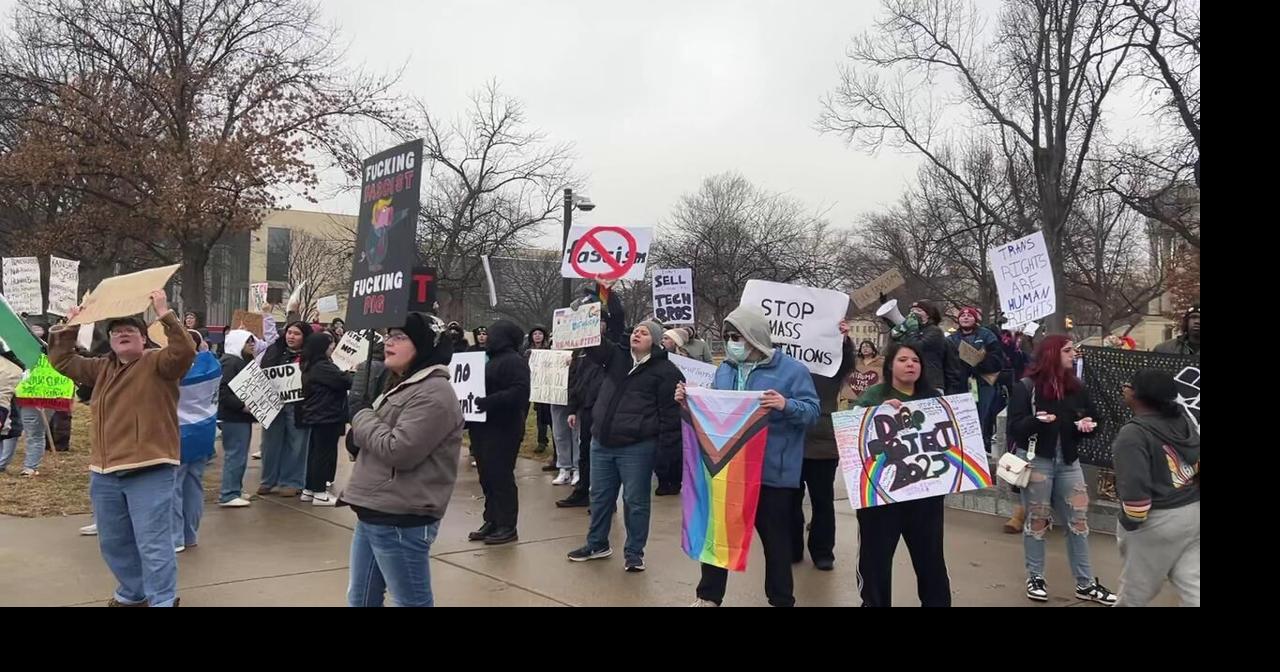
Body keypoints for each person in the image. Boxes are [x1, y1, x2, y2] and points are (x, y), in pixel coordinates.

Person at [49, 290, 196, 607]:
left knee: (153, 543)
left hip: (150, 469)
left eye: (130, 330)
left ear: (144, 339)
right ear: (110, 342)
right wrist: (72, 324)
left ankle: (162, 600)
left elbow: (184, 352)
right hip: (104, 473)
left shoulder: (159, 363)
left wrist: (164, 314)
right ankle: (133, 593)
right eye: (116, 332)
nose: (122, 334)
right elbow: (61, 360)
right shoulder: (101, 368)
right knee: (114, 543)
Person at [681, 305, 820, 607]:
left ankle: (781, 599)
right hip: (729, 469)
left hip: (772, 472)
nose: (732, 341)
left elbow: (813, 412)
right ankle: (709, 596)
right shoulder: (725, 370)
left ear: (755, 337)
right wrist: (690, 400)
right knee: (719, 535)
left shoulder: (792, 371)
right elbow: (715, 410)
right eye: (728, 336)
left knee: (776, 542)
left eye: (738, 336)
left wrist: (786, 405)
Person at [343, 312, 462, 607]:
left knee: (410, 602)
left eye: (400, 337)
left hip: (401, 516)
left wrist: (361, 416)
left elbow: (400, 450)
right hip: (375, 509)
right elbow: (375, 436)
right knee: (361, 599)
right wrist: (360, 433)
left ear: (423, 345)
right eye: (388, 335)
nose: (388, 342)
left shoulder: (434, 393)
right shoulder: (403, 384)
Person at [1008, 334, 1117, 605]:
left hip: (1069, 463)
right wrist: (1036, 421)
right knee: (1037, 521)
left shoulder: (1077, 387)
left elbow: (1094, 420)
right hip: (1037, 462)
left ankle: (1086, 583)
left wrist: (1087, 426)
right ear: (1051, 354)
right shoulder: (1026, 387)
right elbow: (1015, 429)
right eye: (1067, 350)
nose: (1073, 354)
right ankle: (1035, 577)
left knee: (1078, 523)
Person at [567, 319, 683, 572]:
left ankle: (634, 553)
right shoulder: (616, 358)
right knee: (599, 497)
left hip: (637, 448)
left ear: (654, 340)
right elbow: (595, 342)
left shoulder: (666, 372)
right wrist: (603, 294)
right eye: (636, 331)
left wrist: (666, 456)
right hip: (602, 442)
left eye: (644, 333)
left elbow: (670, 416)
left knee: (635, 501)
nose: (637, 335)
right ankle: (597, 544)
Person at [850, 342, 952, 607]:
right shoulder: (873, 396)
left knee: (931, 560)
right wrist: (878, 413)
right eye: (903, 360)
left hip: (925, 497)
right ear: (890, 365)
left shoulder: (934, 400)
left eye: (915, 360)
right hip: (880, 498)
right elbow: (852, 433)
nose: (910, 365)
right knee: (875, 562)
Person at [1112, 369, 1200, 607]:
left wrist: (1130, 523)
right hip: (1193, 512)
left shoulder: (1133, 433)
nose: (1124, 388)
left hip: (1157, 520)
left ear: (1138, 394)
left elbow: (1135, 492)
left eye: (1128, 384)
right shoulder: (1181, 419)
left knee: (1134, 594)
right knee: (1194, 588)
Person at [791, 321, 855, 571]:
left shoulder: (832, 367)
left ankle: (822, 551)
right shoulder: (789, 367)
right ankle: (792, 547)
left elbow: (847, 363)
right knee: (790, 499)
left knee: (822, 500)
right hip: (793, 438)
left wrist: (844, 341)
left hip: (823, 441)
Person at [557, 287, 623, 509]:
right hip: (586, 407)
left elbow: (618, 316)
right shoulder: (582, 349)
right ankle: (582, 490)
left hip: (605, 407)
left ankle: (606, 499)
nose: (598, 325)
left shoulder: (614, 344)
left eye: (600, 321)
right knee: (585, 451)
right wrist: (573, 409)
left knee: (603, 454)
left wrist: (607, 291)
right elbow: (578, 380)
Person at [466, 320, 530, 545]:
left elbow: (520, 393)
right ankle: (491, 519)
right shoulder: (486, 360)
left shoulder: (514, 362)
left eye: (492, 334)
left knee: (501, 476)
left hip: (504, 427)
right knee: (487, 476)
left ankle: (507, 525)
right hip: (482, 426)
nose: (487, 337)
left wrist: (488, 402)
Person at [174, 330, 221, 553]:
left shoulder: (176, 371)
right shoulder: (212, 366)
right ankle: (190, 534)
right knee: (194, 486)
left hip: (179, 433)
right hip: (204, 431)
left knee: (173, 489)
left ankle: (175, 538)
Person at [257, 320, 313, 497]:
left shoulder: (311, 355)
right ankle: (268, 480)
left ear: (305, 337)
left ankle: (291, 482)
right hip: (273, 403)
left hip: (299, 406)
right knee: (269, 443)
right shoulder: (274, 350)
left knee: (296, 444)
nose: (291, 336)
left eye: (296, 334)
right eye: (289, 332)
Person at [300, 332, 351, 506]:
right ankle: (320, 493)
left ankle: (309, 489)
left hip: (318, 415)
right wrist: (354, 372)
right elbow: (345, 381)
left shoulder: (312, 365)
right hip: (326, 415)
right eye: (330, 344)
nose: (333, 347)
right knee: (323, 454)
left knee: (315, 453)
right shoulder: (322, 367)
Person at [948, 307, 1006, 453]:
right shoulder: (951, 339)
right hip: (960, 386)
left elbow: (997, 359)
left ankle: (983, 447)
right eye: (963, 315)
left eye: (969, 315)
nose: (966, 317)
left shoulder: (987, 336)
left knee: (983, 417)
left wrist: (979, 362)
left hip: (984, 384)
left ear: (975, 319)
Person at [217, 329, 257, 507]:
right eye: (248, 342)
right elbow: (223, 391)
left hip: (239, 417)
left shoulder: (240, 361)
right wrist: (242, 405)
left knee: (239, 455)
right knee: (235, 455)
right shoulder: (230, 362)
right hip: (233, 417)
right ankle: (229, 494)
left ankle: (235, 490)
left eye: (252, 341)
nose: (252, 345)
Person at [893, 299, 965, 395]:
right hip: (911, 383)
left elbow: (917, 348)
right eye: (912, 311)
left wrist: (912, 331)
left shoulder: (935, 332)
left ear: (928, 315)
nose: (914, 313)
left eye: (919, 310)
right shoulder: (910, 331)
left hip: (931, 383)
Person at [524, 325, 555, 457]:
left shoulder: (550, 349)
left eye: (540, 334)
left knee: (549, 414)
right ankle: (542, 441)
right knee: (539, 415)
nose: (537, 336)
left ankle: (553, 440)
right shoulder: (526, 351)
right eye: (535, 333)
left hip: (547, 385)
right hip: (534, 384)